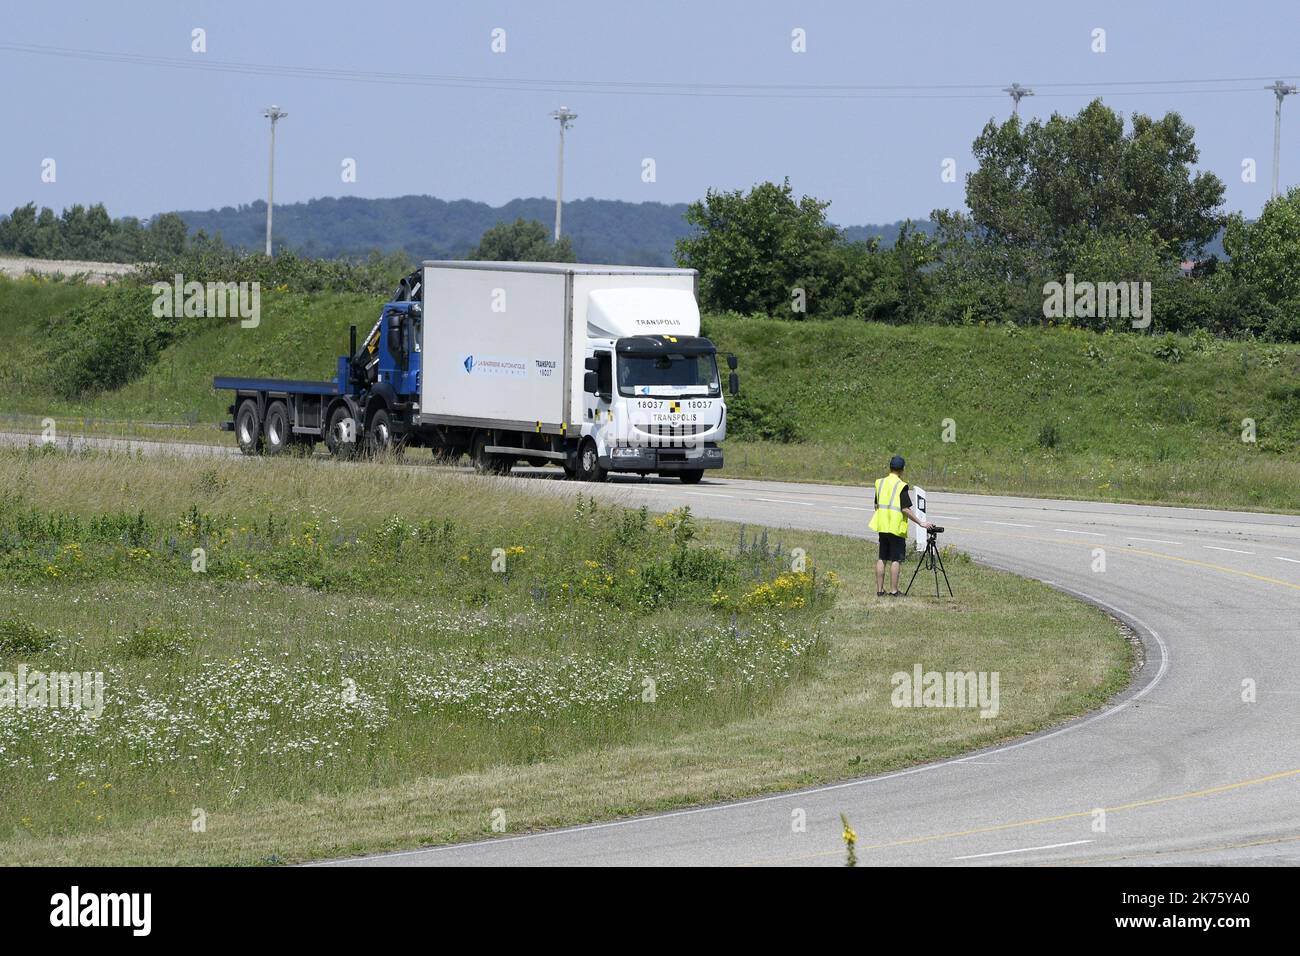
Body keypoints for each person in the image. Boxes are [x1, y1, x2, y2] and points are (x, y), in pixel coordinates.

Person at [868, 455, 934, 597]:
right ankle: (894, 590)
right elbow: (905, 509)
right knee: (895, 559)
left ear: (890, 467)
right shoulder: (900, 485)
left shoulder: (880, 483)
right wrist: (920, 522)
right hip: (895, 526)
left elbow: (876, 505)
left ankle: (879, 590)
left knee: (882, 557)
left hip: (882, 525)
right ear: (902, 469)